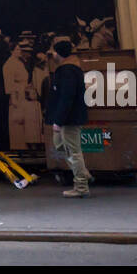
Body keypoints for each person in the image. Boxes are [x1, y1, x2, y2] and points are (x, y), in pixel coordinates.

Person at [44, 39, 92, 198]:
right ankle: (83, 173)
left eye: (53, 51)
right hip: (67, 118)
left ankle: (81, 187)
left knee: (73, 152)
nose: (52, 54)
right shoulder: (69, 70)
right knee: (60, 145)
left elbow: (66, 98)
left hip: (68, 119)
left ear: (58, 53)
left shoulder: (67, 72)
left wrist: (58, 120)